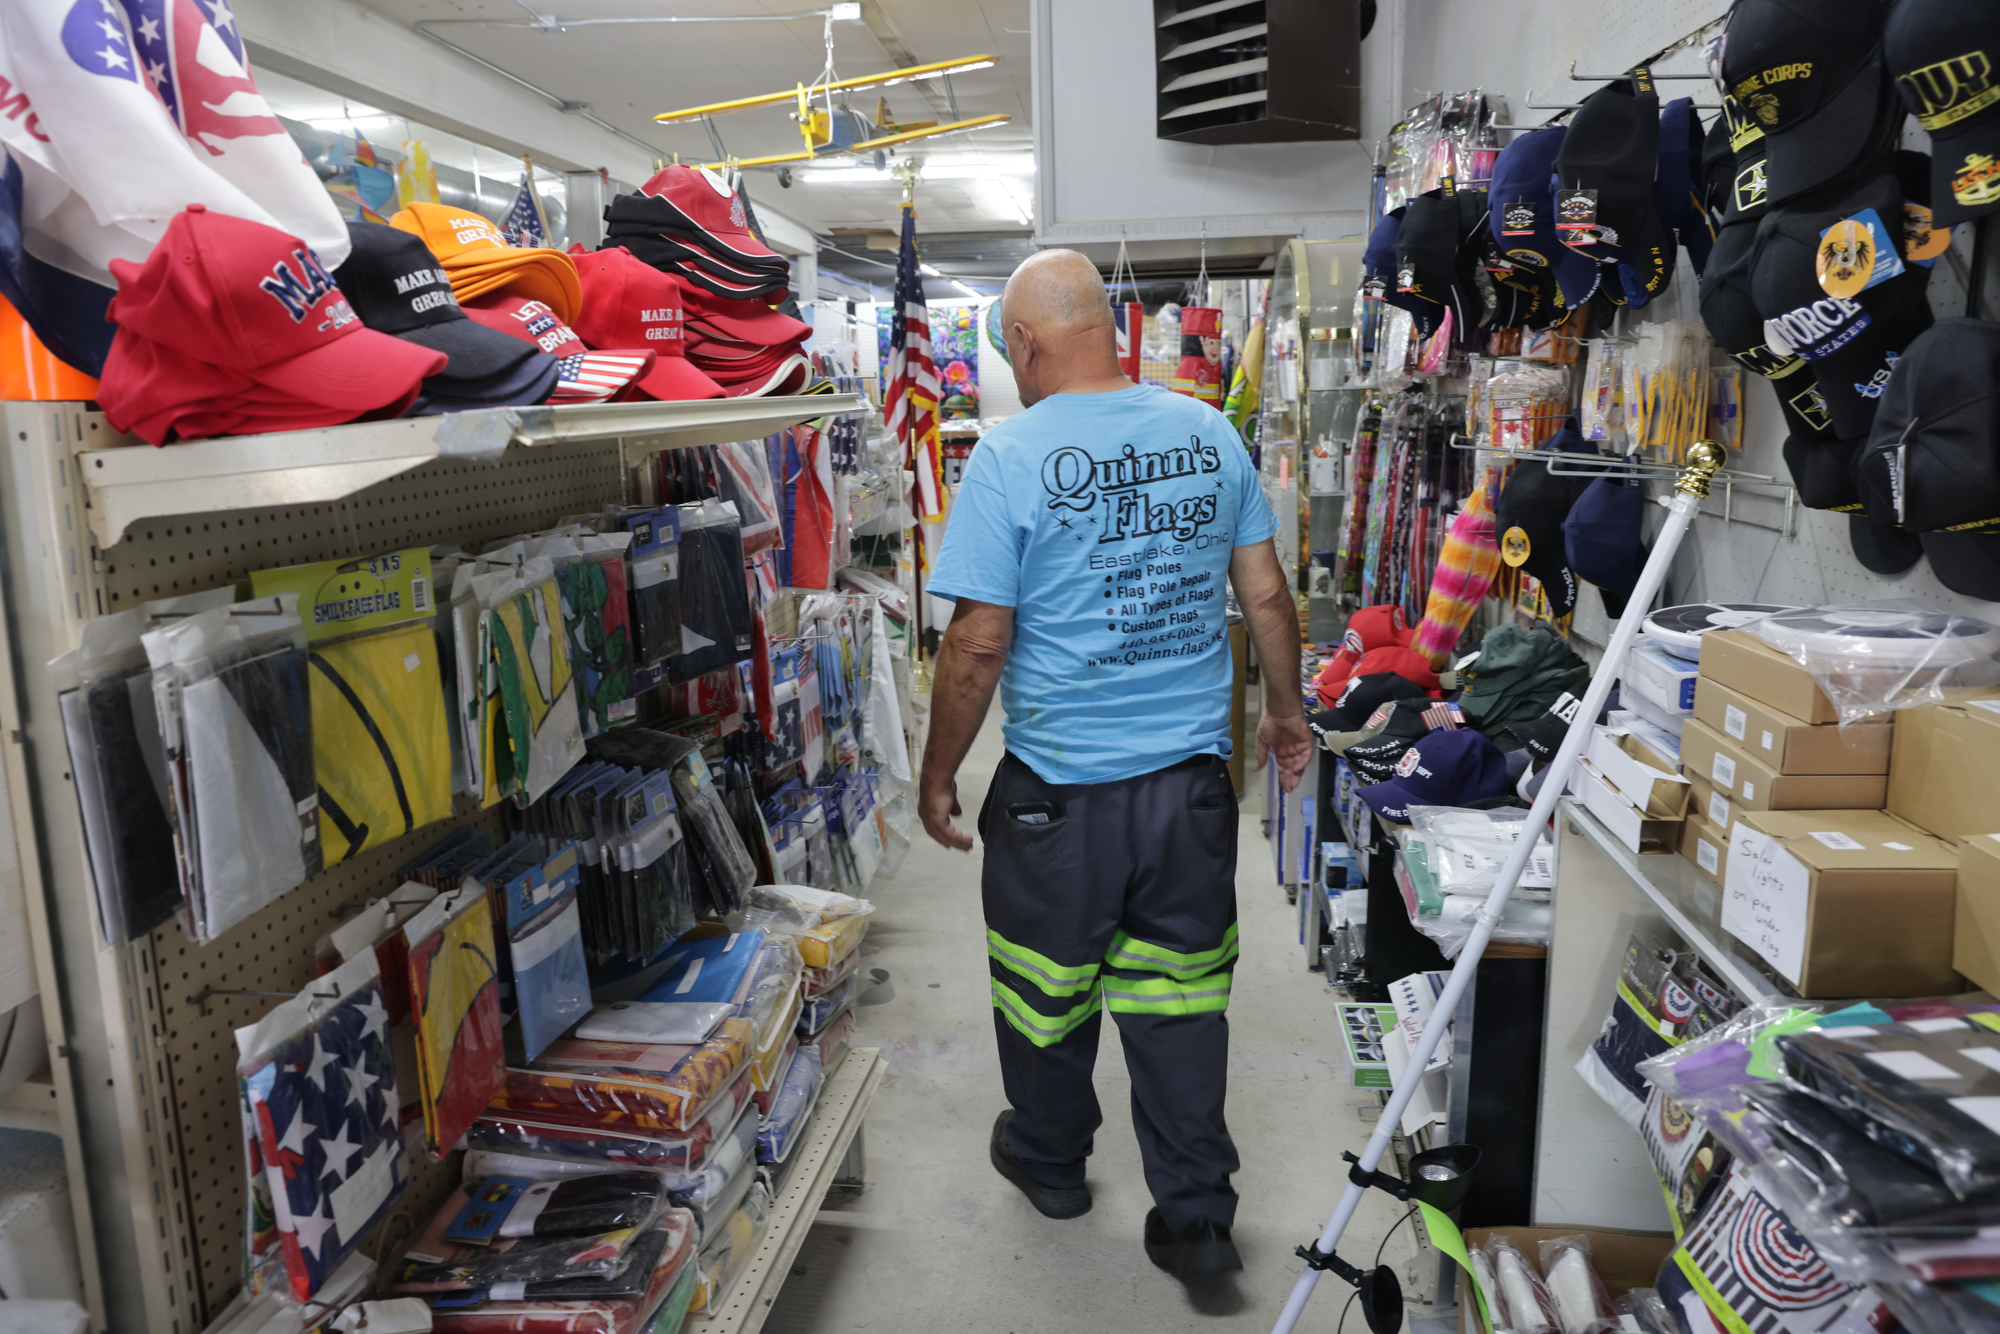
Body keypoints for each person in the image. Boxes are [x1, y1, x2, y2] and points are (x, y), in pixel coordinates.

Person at [918, 248, 1313, 1289]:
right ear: (1113, 326)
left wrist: (935, 773)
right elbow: (1266, 599)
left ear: (1025, 344)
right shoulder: (1204, 430)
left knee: (1044, 995)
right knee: (1178, 1001)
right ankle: (1195, 1219)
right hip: (1187, 793)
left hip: (1059, 799)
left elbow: (975, 644)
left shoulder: (1007, 457)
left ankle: (1050, 1161)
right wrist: (1284, 713)